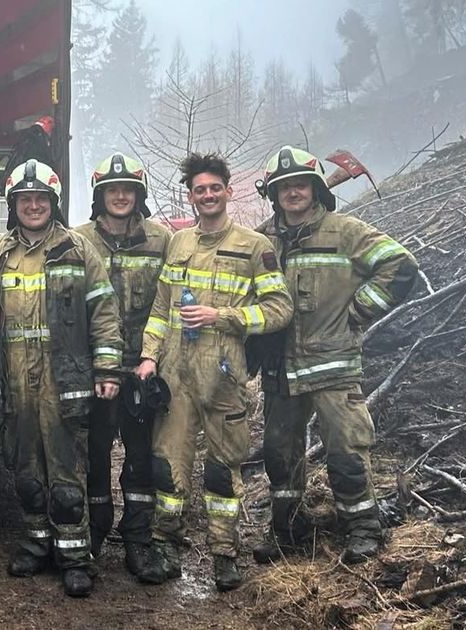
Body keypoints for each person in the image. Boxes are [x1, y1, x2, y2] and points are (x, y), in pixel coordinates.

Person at [0, 159, 124, 597]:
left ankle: (74, 556)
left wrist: (107, 368)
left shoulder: (77, 249)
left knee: (67, 470)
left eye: (41, 199)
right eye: (25, 199)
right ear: (13, 204)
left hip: (62, 378)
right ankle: (36, 541)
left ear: (54, 202)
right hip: (11, 379)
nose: (33, 206)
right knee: (25, 468)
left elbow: (104, 312)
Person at [250, 146, 418, 565]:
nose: (293, 192)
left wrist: (358, 311)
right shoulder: (262, 240)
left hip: (333, 368)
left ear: (316, 188)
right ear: (273, 194)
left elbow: (400, 265)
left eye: (300, 184)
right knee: (279, 456)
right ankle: (288, 530)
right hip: (280, 368)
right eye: (283, 187)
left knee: (346, 452)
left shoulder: (345, 232)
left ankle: (362, 529)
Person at [134, 152, 293, 592]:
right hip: (176, 375)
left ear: (228, 191)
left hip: (224, 375)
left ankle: (224, 553)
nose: (207, 195)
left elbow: (279, 309)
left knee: (223, 471)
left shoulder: (254, 246)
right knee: (167, 468)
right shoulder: (178, 244)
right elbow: (161, 308)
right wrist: (149, 356)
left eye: (214, 188)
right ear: (191, 196)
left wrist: (223, 317)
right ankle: (166, 546)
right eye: (199, 190)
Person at [72, 152, 171, 575]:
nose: (120, 196)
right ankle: (94, 533)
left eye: (127, 190)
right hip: (94, 370)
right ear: (99, 196)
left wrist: (153, 356)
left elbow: (168, 303)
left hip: (142, 370)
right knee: (94, 453)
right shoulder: (78, 241)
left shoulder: (161, 241)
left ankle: (138, 540)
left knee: (140, 457)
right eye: (112, 190)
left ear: (138, 195)